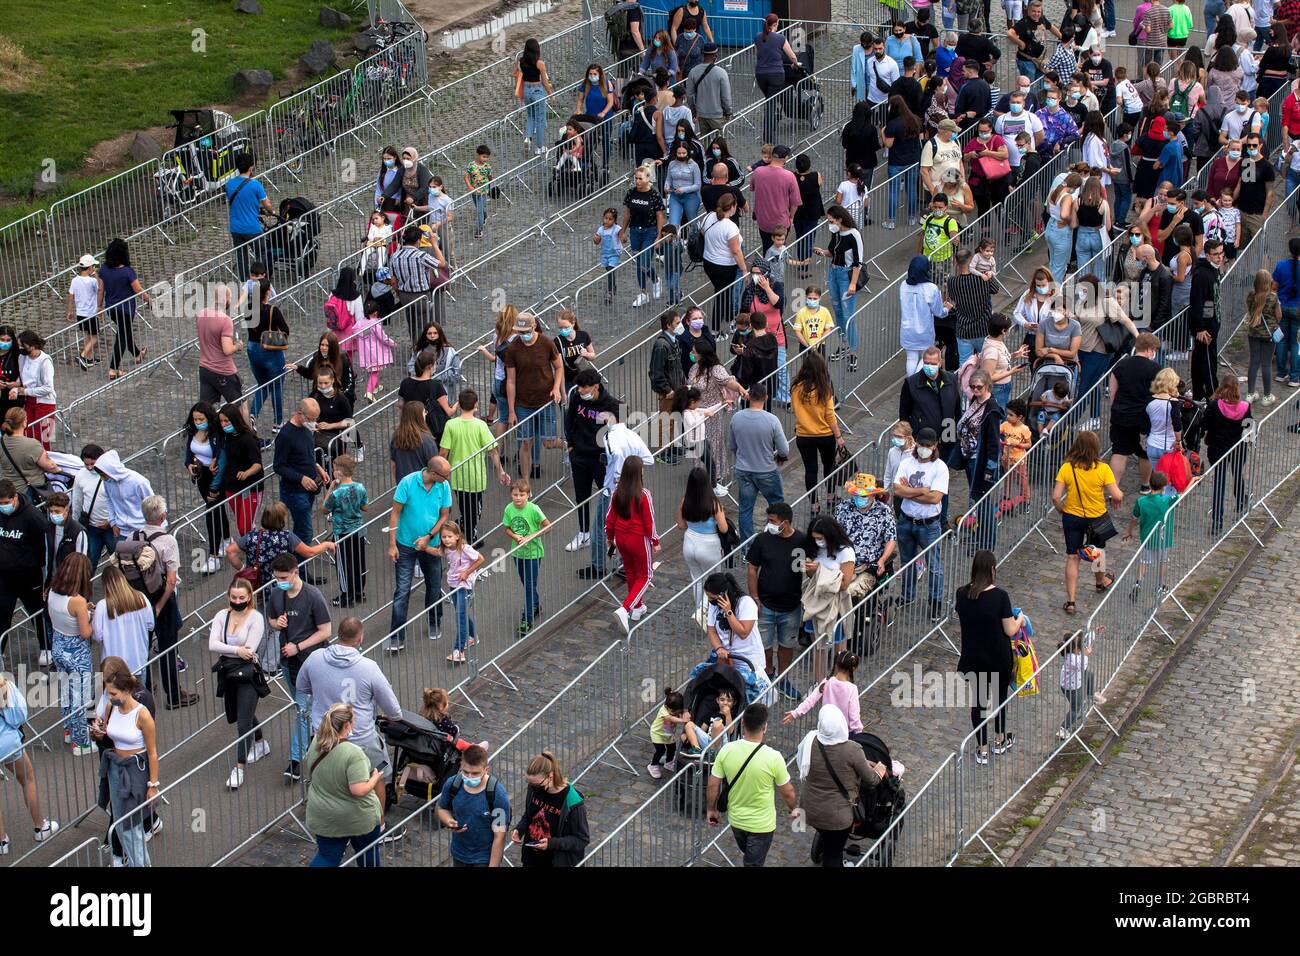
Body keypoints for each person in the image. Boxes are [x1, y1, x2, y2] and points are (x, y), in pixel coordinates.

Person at [298, 614, 401, 815]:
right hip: (360, 737)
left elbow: (302, 686)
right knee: (377, 775)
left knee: (331, 782)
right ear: (360, 639)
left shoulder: (315, 658)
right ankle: (377, 825)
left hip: (324, 735)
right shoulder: (368, 667)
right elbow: (394, 710)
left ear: (338, 635)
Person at [264, 551, 331, 782]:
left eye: (284, 577)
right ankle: (315, 741)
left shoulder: (313, 595)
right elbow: (271, 620)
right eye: (277, 578)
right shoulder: (275, 594)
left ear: (296, 572)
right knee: (304, 708)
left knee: (303, 710)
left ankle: (295, 760)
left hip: (312, 662)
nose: (280, 582)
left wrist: (299, 646)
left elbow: (326, 631)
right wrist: (276, 623)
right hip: (289, 663)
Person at [955, 550, 1027, 764]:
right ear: (993, 570)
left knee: (978, 702)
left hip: (972, 658)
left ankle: (982, 749)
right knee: (999, 699)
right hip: (997, 658)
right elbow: (1009, 629)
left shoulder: (961, 594)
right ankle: (1000, 739)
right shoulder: (1000, 596)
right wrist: (1020, 618)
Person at [705, 703, 798, 867]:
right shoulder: (774, 757)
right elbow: (788, 791)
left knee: (750, 857)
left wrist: (711, 809)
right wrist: (793, 808)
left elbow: (713, 784)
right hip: (762, 825)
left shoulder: (727, 750)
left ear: (742, 724)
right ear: (765, 727)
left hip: (736, 821)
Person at [90, 668, 158, 867]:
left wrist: (153, 785)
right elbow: (106, 734)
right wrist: (98, 732)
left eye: (113, 693)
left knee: (131, 827)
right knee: (120, 825)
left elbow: (153, 752)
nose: (110, 697)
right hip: (115, 769)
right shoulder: (112, 707)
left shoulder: (142, 715)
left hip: (135, 772)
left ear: (127, 690)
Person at [304, 703, 383, 867]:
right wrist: (375, 778)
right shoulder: (353, 753)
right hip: (357, 817)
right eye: (354, 720)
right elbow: (359, 789)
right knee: (368, 853)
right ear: (347, 725)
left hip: (324, 814)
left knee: (326, 856)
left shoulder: (316, 743)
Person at [208, 577, 269, 791]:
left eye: (241, 597)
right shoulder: (221, 616)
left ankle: (239, 767)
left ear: (249, 597)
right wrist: (235, 650)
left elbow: (249, 650)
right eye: (233, 597)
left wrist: (232, 649)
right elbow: (212, 644)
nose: (237, 600)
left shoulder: (256, 618)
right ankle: (261, 741)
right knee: (243, 713)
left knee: (243, 722)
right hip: (228, 672)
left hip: (248, 675)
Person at [1052, 431, 1122, 615]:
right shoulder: (1103, 469)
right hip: (1096, 517)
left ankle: (1071, 601)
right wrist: (1115, 498)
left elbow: (1056, 496)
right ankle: (1100, 582)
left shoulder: (1067, 467)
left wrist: (1061, 509)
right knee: (1097, 553)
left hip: (1072, 517)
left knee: (1072, 557)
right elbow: (1117, 495)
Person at [579, 412, 654, 581]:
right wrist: (632, 469)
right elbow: (649, 459)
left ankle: (598, 566)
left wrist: (620, 474)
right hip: (634, 490)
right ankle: (624, 565)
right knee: (627, 528)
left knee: (601, 527)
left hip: (613, 490)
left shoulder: (610, 436)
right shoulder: (633, 435)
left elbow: (618, 454)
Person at [386, 456, 451, 650]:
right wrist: (392, 544)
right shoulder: (407, 482)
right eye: (445, 475)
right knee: (402, 590)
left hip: (430, 544)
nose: (448, 478)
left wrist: (429, 536)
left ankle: (434, 621)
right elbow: (395, 513)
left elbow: (444, 514)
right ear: (433, 473)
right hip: (405, 544)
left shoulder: (443, 486)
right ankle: (397, 635)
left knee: (434, 584)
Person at [892, 427, 949, 621]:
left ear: (934, 446)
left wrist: (911, 490)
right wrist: (922, 491)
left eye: (928, 446)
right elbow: (897, 490)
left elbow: (935, 498)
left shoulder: (940, 467)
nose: (924, 449)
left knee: (934, 567)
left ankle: (935, 602)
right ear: (916, 443)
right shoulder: (907, 462)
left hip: (929, 524)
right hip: (906, 520)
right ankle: (907, 595)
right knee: (907, 562)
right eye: (921, 445)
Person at [0, 673, 60, 855]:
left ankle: (1, 842)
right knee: (27, 780)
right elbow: (19, 716)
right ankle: (40, 826)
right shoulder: (4, 685)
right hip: (7, 742)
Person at [505, 312, 565, 481]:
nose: (523, 335)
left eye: (525, 331)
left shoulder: (546, 343)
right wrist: (511, 410)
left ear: (533, 327)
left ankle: (567, 446)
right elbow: (511, 381)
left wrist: (556, 388)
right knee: (526, 443)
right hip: (523, 404)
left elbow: (559, 367)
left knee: (549, 442)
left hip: (546, 401)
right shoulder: (513, 348)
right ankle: (525, 483)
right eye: (519, 332)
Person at [46, 552, 94, 756]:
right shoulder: (78, 601)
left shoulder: (51, 592)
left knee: (66, 693)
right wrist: (90, 617)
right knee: (81, 699)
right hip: (77, 654)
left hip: (58, 647)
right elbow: (85, 632)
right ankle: (81, 743)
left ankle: (69, 731)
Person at [605, 455, 660, 632]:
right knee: (646, 575)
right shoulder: (644, 494)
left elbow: (609, 519)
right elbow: (649, 521)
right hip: (638, 539)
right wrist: (655, 540)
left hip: (621, 538)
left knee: (631, 573)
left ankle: (637, 607)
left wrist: (610, 537)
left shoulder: (616, 493)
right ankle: (626, 607)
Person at [727, 382, 787, 539]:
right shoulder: (772, 420)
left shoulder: (737, 418)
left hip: (744, 470)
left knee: (745, 509)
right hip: (766, 469)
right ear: (766, 398)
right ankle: (773, 538)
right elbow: (784, 449)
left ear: (749, 397)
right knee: (776, 504)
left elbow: (732, 445)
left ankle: (748, 547)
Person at [436, 744, 511, 867]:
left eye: (475, 773)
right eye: (465, 772)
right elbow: (442, 808)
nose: (469, 777)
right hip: (459, 853)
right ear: (460, 765)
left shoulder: (498, 795)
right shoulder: (452, 784)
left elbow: (500, 835)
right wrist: (449, 821)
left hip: (483, 858)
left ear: (486, 770)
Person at [511, 751, 590, 867]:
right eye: (530, 783)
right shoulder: (534, 787)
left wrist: (552, 843)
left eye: (538, 785)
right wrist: (519, 829)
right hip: (531, 859)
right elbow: (529, 815)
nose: (534, 788)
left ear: (550, 776)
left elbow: (582, 839)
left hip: (557, 861)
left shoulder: (572, 801)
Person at [0, 479, 49, 665]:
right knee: (2, 614)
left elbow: (45, 544)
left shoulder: (32, 517)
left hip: (28, 576)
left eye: (6, 502)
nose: (3, 506)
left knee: (37, 613)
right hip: (4, 577)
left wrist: (38, 566)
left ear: (14, 498)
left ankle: (46, 647)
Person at [956, 371, 1007, 551]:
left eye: (979, 387)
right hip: (970, 458)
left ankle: (987, 544)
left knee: (984, 503)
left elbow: (994, 442)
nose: (976, 390)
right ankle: (980, 536)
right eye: (972, 386)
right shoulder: (975, 402)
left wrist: (990, 468)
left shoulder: (991, 409)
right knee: (977, 501)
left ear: (988, 386)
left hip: (981, 462)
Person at [790, 352, 846, 514]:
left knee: (810, 470)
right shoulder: (824, 389)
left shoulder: (796, 389)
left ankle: (814, 505)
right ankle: (830, 496)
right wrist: (839, 436)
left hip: (804, 435)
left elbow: (794, 409)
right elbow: (830, 415)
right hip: (825, 436)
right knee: (829, 467)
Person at [274, 398, 332, 551]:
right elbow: (278, 466)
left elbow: (307, 455)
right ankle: (298, 569)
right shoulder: (286, 435)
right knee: (305, 532)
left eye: (316, 419)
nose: (314, 423)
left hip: (308, 489)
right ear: (299, 413)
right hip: (294, 491)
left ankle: (299, 568)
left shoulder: (307, 430)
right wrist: (301, 478)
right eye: (311, 419)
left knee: (303, 531)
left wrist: (318, 468)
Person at [183, 402, 229, 573]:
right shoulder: (193, 431)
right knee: (217, 509)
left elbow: (220, 455)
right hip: (202, 476)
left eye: (201, 419)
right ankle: (226, 539)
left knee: (212, 511)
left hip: (216, 476)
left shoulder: (216, 433)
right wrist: (189, 465)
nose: (197, 422)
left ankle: (214, 555)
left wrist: (214, 465)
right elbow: (188, 453)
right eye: (195, 419)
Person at [677, 464, 729, 615]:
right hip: (709, 545)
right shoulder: (713, 504)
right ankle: (705, 611)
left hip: (690, 542)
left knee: (697, 579)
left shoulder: (684, 501)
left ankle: (700, 608)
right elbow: (724, 528)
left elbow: (681, 525)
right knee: (714, 580)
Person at [1205, 376, 1253, 533]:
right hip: (1238, 448)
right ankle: (1240, 501)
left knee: (1219, 482)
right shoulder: (1245, 407)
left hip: (1217, 448)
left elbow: (1205, 425)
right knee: (1238, 474)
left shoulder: (1213, 406)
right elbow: (1248, 428)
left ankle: (1217, 522)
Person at [245, 279, 289, 431]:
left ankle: (252, 414)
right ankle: (278, 422)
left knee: (262, 385)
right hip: (270, 351)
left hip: (252, 349)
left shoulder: (248, 308)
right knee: (276, 386)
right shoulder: (272, 310)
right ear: (267, 292)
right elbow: (285, 330)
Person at [699, 192, 747, 332]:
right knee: (722, 297)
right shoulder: (730, 227)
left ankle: (730, 318)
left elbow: (703, 232)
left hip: (709, 263)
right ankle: (715, 330)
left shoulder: (708, 216)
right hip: (725, 267)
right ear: (732, 207)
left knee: (723, 294)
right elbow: (736, 251)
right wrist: (744, 270)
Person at [196, 285, 245, 409]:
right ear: (226, 299)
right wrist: (238, 346)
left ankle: (204, 428)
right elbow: (227, 349)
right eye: (230, 298)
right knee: (241, 405)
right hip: (224, 371)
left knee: (206, 410)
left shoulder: (201, 314)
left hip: (205, 369)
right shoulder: (225, 320)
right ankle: (245, 428)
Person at [1189, 239, 1227, 400]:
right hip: (1205, 327)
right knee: (1208, 363)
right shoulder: (1202, 275)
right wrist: (1199, 328)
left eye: (1221, 253)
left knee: (1200, 361)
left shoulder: (1214, 270)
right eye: (1216, 254)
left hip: (1212, 322)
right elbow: (1196, 302)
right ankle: (1212, 395)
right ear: (1208, 255)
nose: (1219, 257)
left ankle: (1199, 394)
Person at [0, 407, 58, 502]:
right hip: (28, 492)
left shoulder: (1, 442)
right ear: (24, 422)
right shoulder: (32, 444)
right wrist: (60, 470)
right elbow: (50, 466)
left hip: (7, 490)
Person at [883, 97, 923, 229]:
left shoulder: (893, 124)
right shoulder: (916, 120)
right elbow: (921, 138)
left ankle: (891, 220)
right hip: (913, 160)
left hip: (896, 162)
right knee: (911, 189)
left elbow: (888, 144)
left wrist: (882, 133)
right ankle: (912, 217)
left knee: (894, 191)